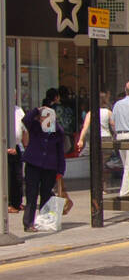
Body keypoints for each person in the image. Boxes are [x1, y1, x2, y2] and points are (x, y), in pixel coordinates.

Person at [21, 89, 66, 232]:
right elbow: (25, 120)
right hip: (33, 164)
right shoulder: (34, 127)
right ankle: (28, 223)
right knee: (31, 194)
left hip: (50, 167)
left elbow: (60, 153)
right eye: (43, 117)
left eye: (49, 117)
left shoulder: (57, 132)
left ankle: (45, 221)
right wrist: (38, 110)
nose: (45, 120)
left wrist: (60, 171)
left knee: (46, 194)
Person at [111, 80, 129, 198]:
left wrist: (117, 131)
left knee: (126, 164)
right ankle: (124, 193)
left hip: (119, 135)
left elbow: (112, 122)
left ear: (125, 90)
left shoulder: (117, 104)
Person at [76, 90, 114, 156]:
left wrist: (81, 139)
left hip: (95, 137)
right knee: (105, 157)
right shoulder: (108, 112)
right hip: (107, 137)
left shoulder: (90, 113)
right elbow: (113, 126)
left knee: (95, 156)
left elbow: (85, 127)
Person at [8, 100, 23, 215]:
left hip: (17, 147)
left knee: (17, 176)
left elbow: (24, 128)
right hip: (5, 147)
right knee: (7, 178)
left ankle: (17, 202)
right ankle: (8, 204)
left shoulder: (18, 110)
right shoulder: (3, 110)